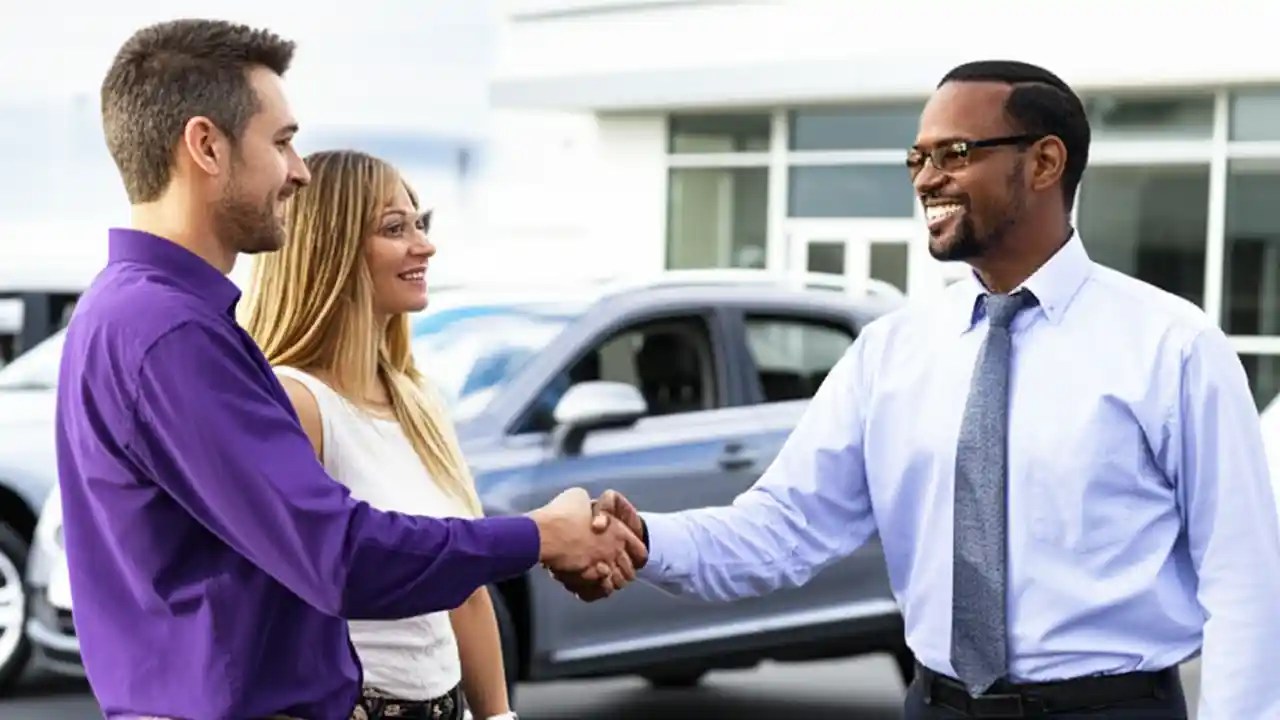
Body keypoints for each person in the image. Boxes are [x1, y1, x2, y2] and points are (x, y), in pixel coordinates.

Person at [569, 60, 1280, 719]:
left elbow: (1245, 579)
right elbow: (783, 529)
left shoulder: (1173, 347)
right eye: (918, 157)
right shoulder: (890, 352)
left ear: (1045, 161)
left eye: (955, 154)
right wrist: (645, 539)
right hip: (936, 704)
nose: (926, 177)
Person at [55, 19, 643, 720]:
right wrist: (543, 535)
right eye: (281, 142)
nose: (298, 170)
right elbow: (340, 556)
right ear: (206, 145)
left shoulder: (133, 314)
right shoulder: (170, 333)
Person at [238, 149, 522, 720]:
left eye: (422, 223)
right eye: (395, 228)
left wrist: (496, 717)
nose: (425, 245)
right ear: (330, 250)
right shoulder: (296, 403)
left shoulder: (418, 400)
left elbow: (464, 587)